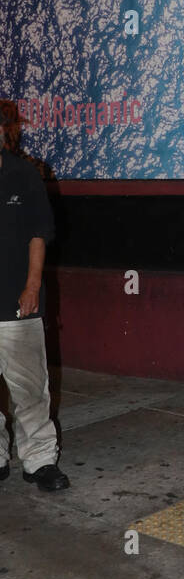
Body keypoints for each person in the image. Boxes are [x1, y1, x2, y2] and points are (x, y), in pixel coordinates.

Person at [0, 101, 70, 492]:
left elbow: (38, 235)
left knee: (30, 390)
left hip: (16, 306)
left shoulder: (23, 174)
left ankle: (40, 461)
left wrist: (31, 287)